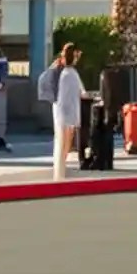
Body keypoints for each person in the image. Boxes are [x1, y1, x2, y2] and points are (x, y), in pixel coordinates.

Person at [51, 44, 84, 180]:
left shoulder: (62, 72)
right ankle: (60, 172)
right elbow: (81, 92)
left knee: (61, 142)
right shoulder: (70, 74)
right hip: (67, 112)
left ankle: (59, 171)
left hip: (62, 111)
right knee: (65, 143)